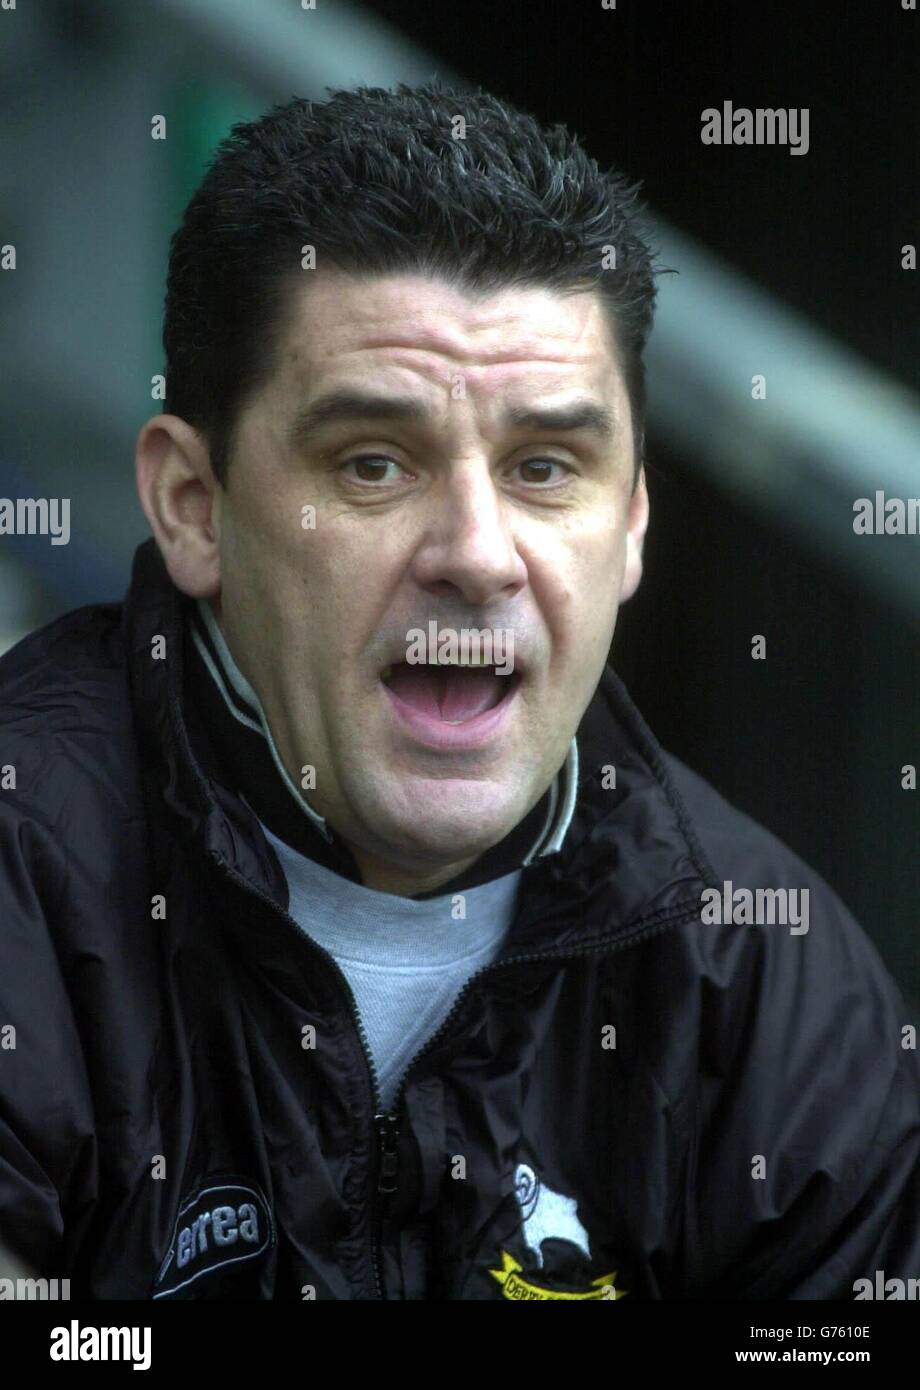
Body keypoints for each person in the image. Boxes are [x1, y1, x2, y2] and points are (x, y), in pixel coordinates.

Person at [0, 81, 917, 1301]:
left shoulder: (766, 981)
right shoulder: (27, 882)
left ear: (631, 523)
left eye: (545, 468)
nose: (477, 551)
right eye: (373, 463)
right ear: (193, 506)